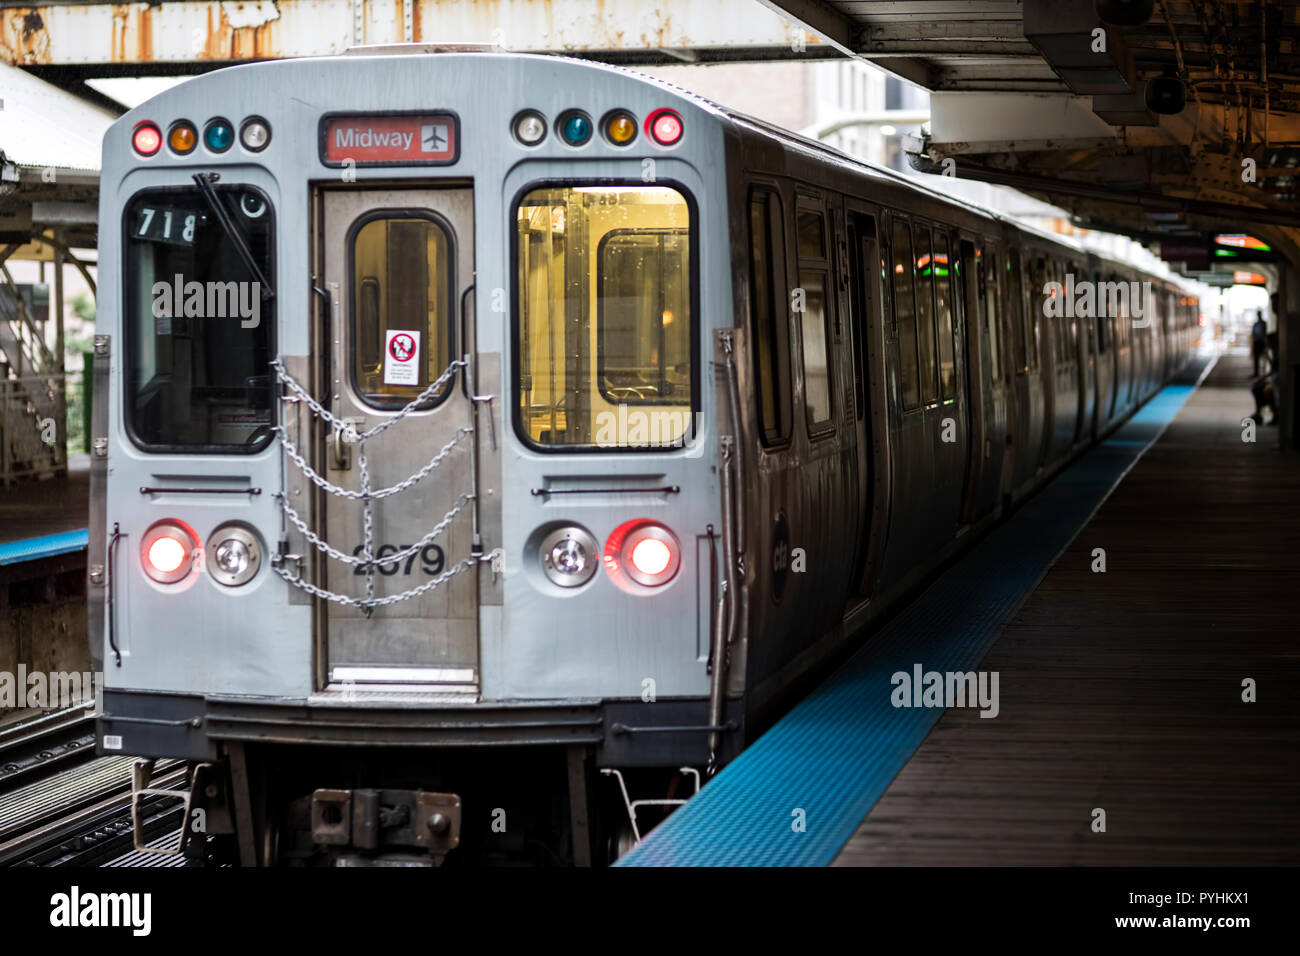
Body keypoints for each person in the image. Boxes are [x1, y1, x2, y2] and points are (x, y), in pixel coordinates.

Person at [1251, 310, 1268, 375]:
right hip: (1256, 341)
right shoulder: (1256, 324)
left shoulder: (1263, 323)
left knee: (1264, 358)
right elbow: (1253, 333)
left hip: (1262, 342)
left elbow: (1265, 332)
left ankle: (1264, 373)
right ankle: (1256, 372)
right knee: (1256, 358)